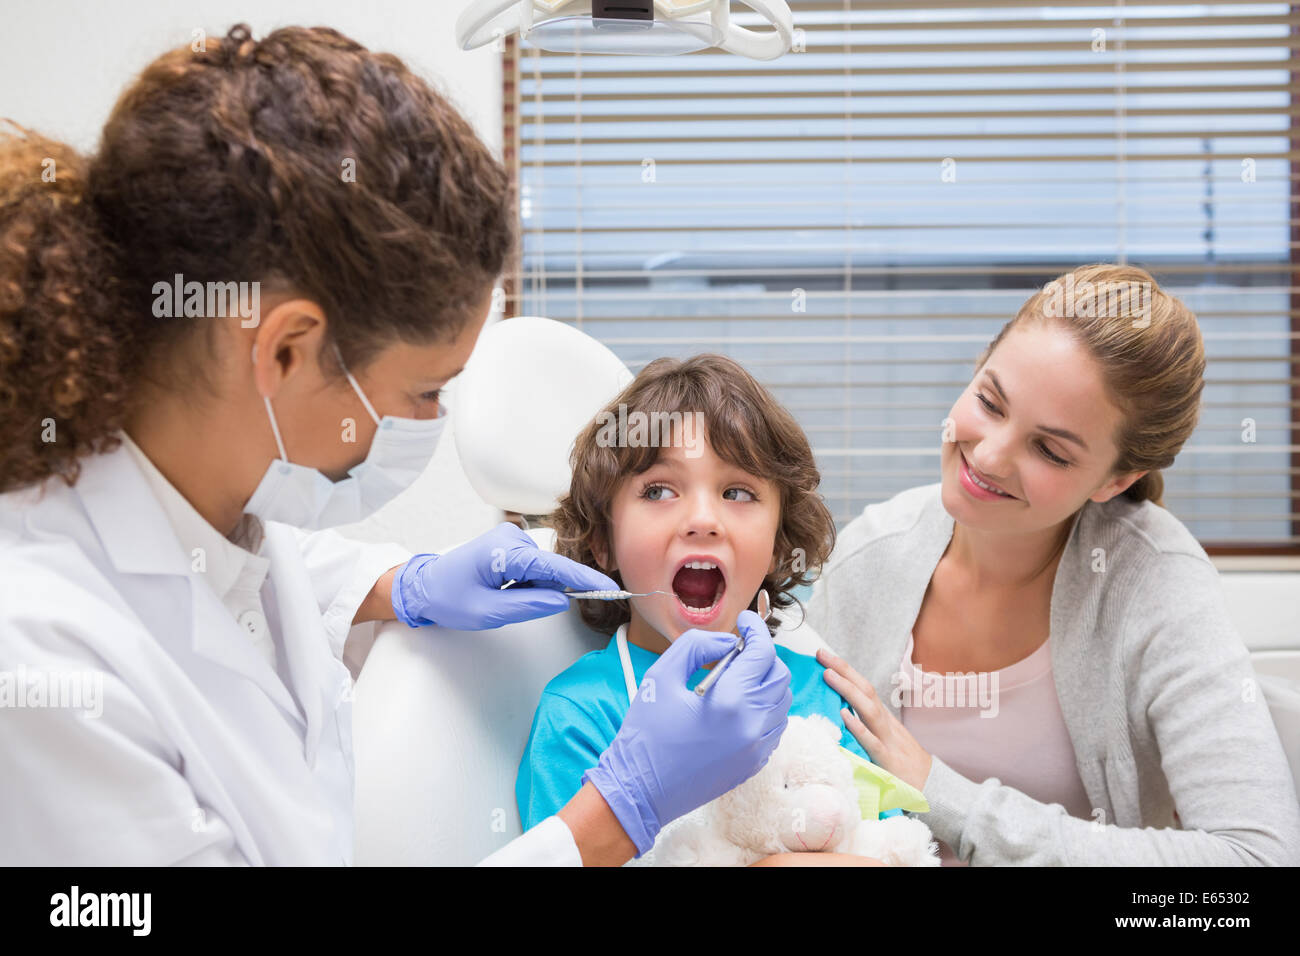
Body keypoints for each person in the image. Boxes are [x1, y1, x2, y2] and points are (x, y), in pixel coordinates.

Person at [0, 23, 790, 866]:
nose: (432, 422)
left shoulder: (221, 523)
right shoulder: (43, 662)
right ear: (285, 351)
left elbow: (247, 577)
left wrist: (402, 584)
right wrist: (617, 814)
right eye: (425, 391)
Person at [806, 264, 1300, 865]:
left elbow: (1254, 862)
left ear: (1118, 478)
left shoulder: (1154, 582)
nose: (988, 455)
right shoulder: (872, 556)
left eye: (1049, 450)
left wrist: (940, 793)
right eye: (990, 402)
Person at [515, 354, 907, 863]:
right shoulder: (579, 715)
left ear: (776, 540)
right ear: (603, 543)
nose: (703, 519)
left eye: (737, 492)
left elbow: (894, 850)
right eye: (658, 490)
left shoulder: (826, 699)